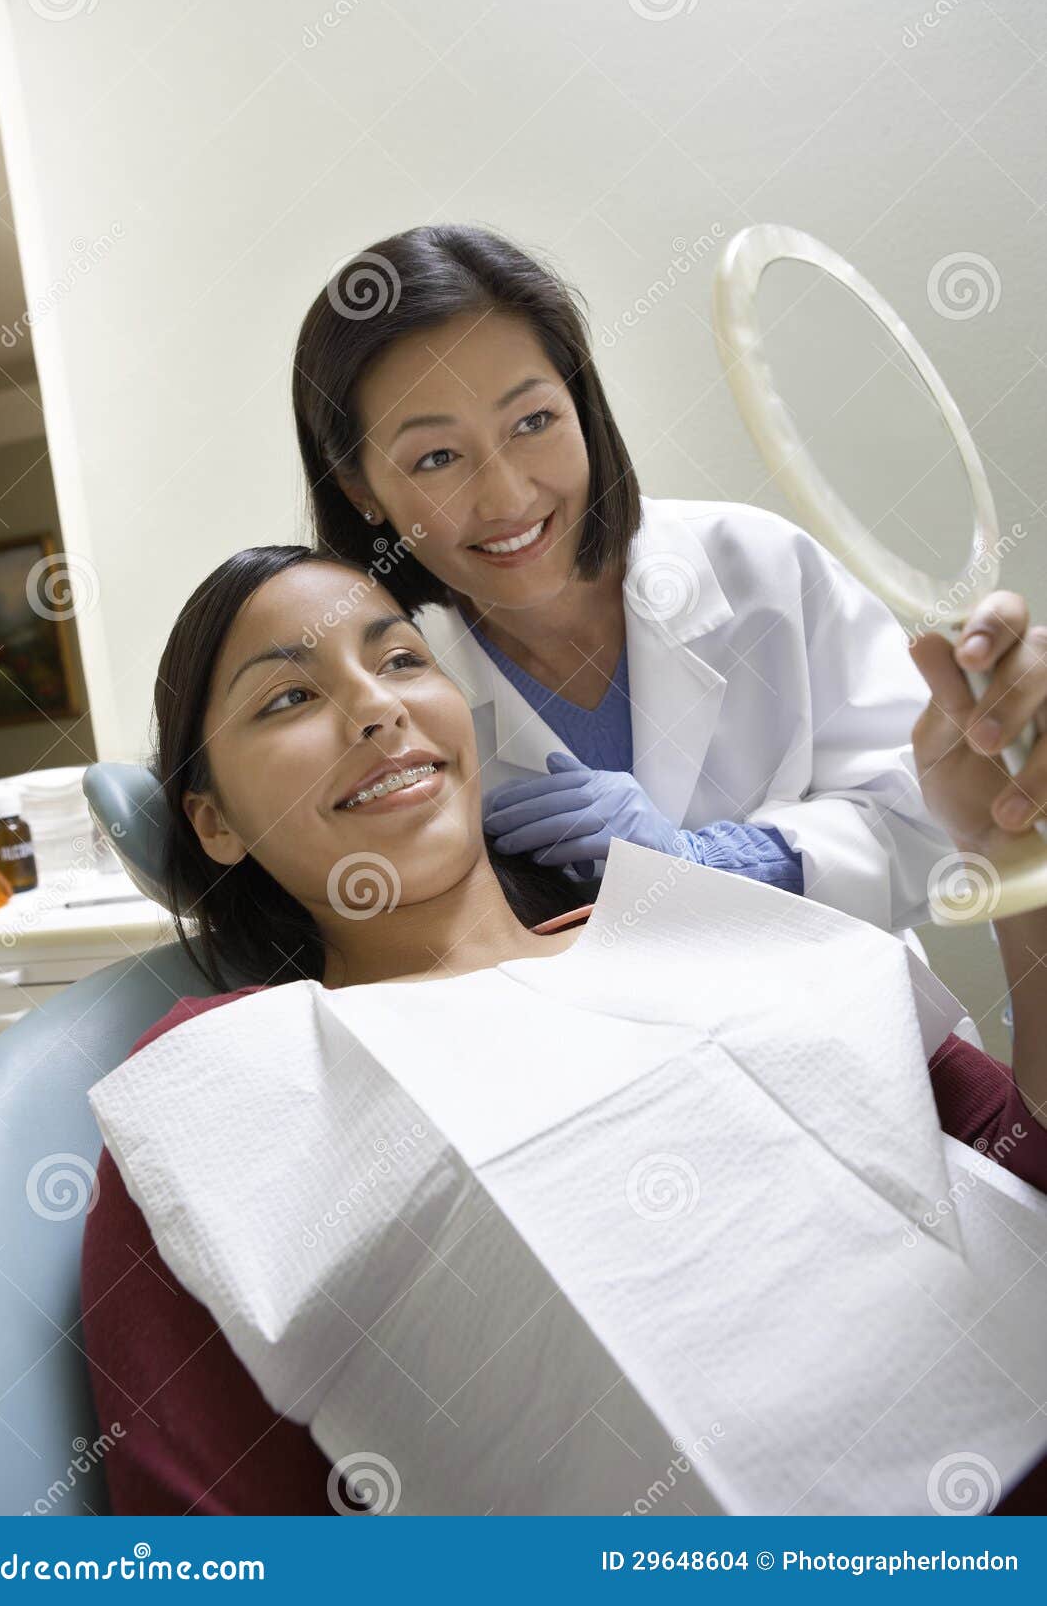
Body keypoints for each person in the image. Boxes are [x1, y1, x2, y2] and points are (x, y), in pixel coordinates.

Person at [81, 548, 1047, 1516]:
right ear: (212, 820)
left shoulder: (708, 926)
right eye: (289, 698)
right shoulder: (228, 1081)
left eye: (403, 659)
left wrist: (1018, 868)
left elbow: (1025, 1165)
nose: (377, 707)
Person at [290, 222, 1018, 935]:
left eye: (533, 421)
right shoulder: (381, 699)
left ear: (582, 405)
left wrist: (718, 863)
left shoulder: (760, 568)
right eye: (437, 459)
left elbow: (935, 828)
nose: (508, 497)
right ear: (360, 490)